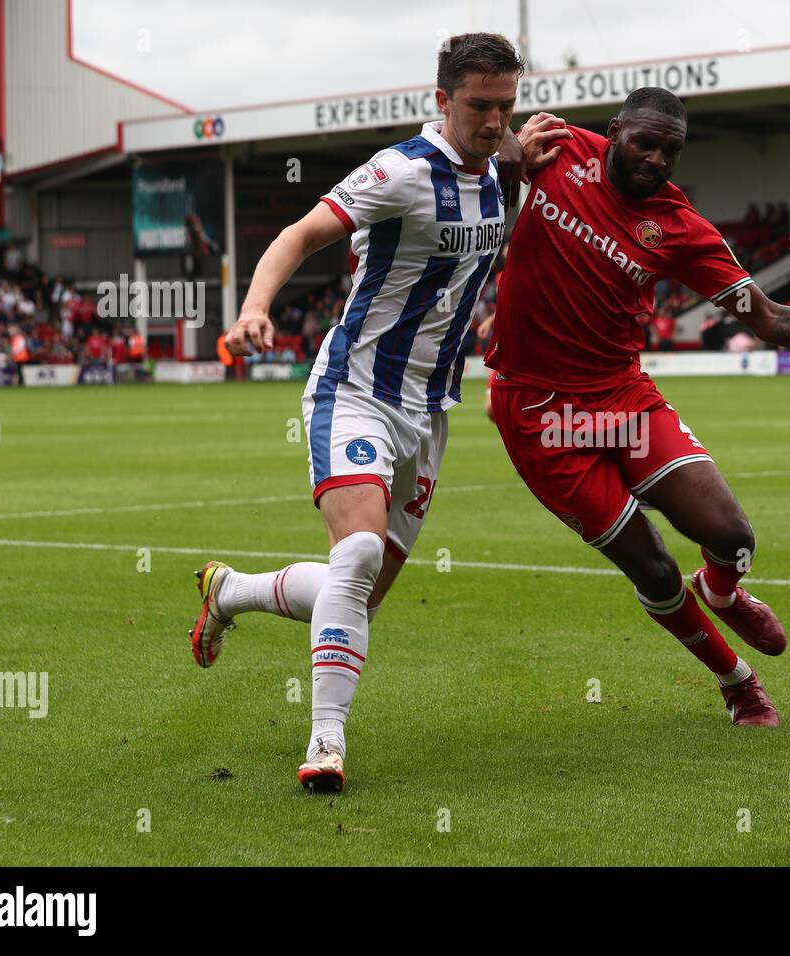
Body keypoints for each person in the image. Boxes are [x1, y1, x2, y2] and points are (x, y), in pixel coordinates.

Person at [484, 89, 790, 727]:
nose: (654, 159)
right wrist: (509, 150)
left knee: (731, 533)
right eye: (643, 142)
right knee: (650, 564)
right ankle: (738, 681)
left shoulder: (678, 227)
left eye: (670, 151)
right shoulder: (558, 150)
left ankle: (721, 588)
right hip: (537, 413)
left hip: (621, 395)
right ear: (615, 130)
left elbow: (766, 316)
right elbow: (469, 147)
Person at [188, 33, 549, 794]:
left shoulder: (505, 172)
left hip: (430, 412)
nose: (494, 121)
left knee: (357, 593)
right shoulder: (399, 172)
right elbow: (300, 234)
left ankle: (232, 592)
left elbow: (489, 255)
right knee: (354, 560)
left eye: (505, 106)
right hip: (354, 389)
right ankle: (326, 743)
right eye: (480, 106)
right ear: (441, 99)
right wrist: (254, 309)